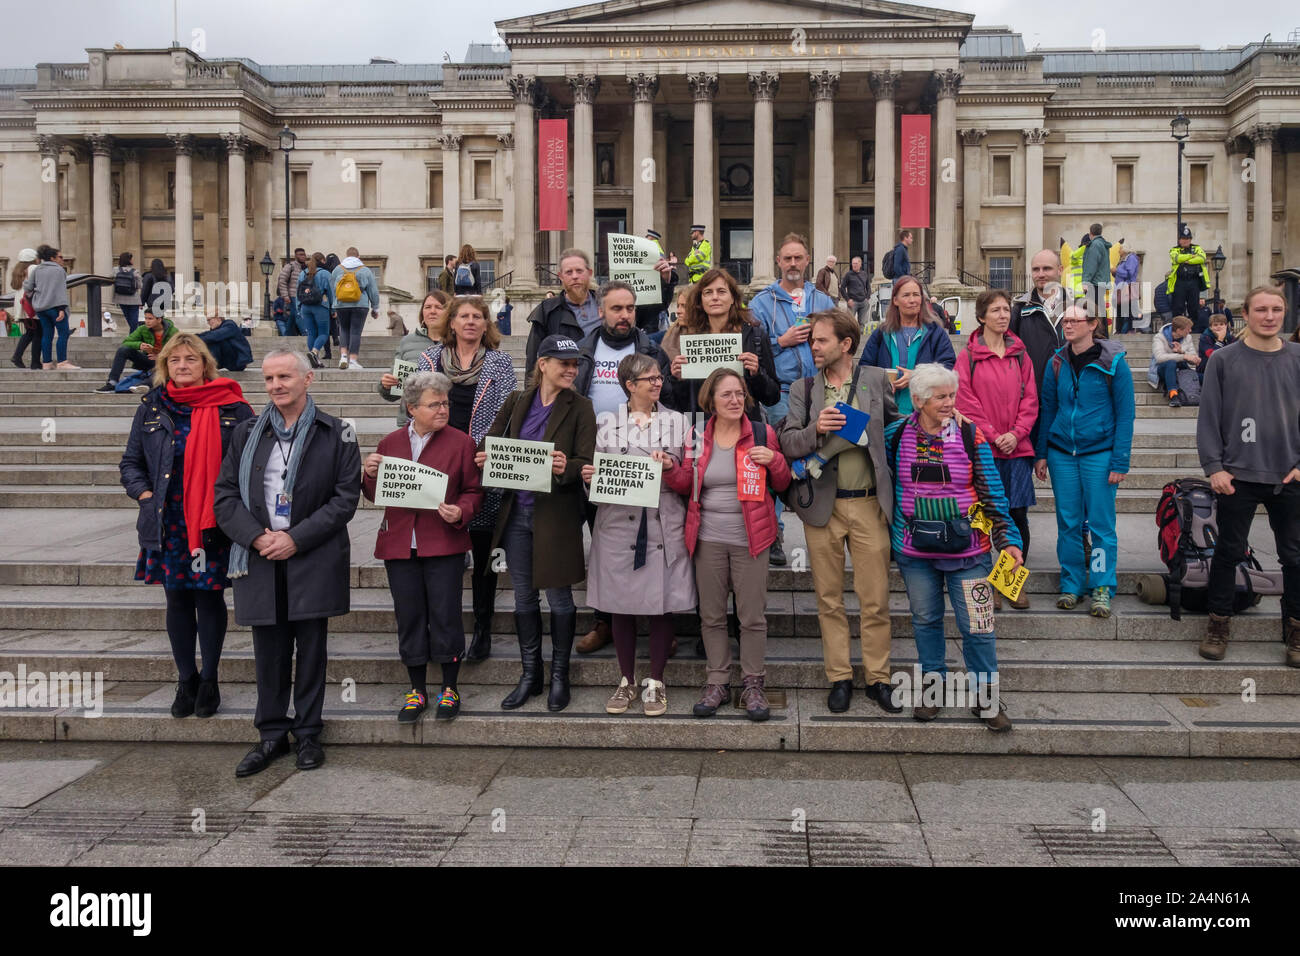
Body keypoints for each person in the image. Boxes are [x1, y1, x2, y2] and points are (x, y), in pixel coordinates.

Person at [215, 349, 361, 777]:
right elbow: (224, 495)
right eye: (269, 379)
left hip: (311, 555)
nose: (276, 385)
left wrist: (295, 539)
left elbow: (345, 498)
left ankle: (309, 733)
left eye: (284, 377)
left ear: (308, 379)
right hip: (260, 555)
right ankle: (271, 734)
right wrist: (258, 537)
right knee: (269, 652)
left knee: (312, 649)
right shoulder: (246, 433)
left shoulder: (337, 432)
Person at [883, 363, 1024, 730]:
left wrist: (1008, 540)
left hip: (970, 553)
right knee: (926, 621)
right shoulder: (896, 434)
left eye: (951, 395)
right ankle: (933, 691)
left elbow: (993, 490)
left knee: (978, 625)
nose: (949, 403)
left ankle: (986, 699)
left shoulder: (969, 434)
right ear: (918, 400)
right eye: (940, 397)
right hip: (915, 553)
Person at [120, 333, 253, 719]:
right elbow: (131, 462)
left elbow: (252, 464)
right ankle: (186, 679)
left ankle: (209, 680)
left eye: (190, 359)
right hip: (167, 519)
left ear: (204, 364)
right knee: (176, 598)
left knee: (208, 597)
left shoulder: (234, 407)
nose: (182, 365)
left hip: (212, 519)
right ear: (164, 366)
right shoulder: (151, 407)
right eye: (174, 359)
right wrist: (144, 495)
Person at [778, 309, 899, 713]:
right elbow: (789, 443)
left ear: (846, 344)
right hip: (823, 508)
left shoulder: (876, 379)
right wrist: (818, 431)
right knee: (828, 599)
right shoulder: (803, 388)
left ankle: (879, 678)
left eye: (822, 340)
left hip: (867, 503)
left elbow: (898, 433)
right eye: (812, 340)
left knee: (875, 599)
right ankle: (840, 677)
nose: (814, 346)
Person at [663, 368, 792, 721]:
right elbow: (686, 482)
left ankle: (753, 683)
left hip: (752, 539)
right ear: (711, 401)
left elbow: (782, 483)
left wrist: (776, 460)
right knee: (712, 616)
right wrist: (670, 468)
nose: (735, 400)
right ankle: (717, 681)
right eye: (727, 395)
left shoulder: (762, 433)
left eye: (739, 394)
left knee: (751, 617)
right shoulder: (697, 436)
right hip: (707, 540)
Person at [475, 335, 595, 712]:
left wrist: (567, 467)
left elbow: (586, 460)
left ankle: (560, 674)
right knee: (523, 595)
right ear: (542, 364)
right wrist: (485, 457)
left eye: (575, 364)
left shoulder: (581, 407)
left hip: (556, 514)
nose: (571, 369)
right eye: (564, 363)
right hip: (516, 513)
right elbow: (490, 443)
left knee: (559, 597)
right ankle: (531, 673)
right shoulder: (516, 401)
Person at [362, 370, 484, 722]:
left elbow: (474, 491)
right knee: (409, 615)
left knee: (446, 614)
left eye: (445, 403)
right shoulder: (390, 443)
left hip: (443, 543)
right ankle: (416, 689)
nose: (443, 409)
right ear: (412, 408)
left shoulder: (461, 442)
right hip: (400, 544)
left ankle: (450, 687)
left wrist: (461, 510)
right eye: (434, 404)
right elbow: (374, 494)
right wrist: (368, 474)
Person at [583, 353, 694, 716]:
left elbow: (690, 479)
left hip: (662, 520)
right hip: (618, 524)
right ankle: (626, 680)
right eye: (648, 378)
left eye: (659, 377)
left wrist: (672, 466)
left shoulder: (678, 422)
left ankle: (656, 681)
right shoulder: (607, 424)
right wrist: (591, 478)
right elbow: (600, 475)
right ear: (629, 385)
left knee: (661, 604)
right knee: (620, 604)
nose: (657, 383)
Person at [1196, 285, 1300, 667]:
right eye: (1262, 310)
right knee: (1227, 552)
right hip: (1237, 474)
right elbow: (1209, 417)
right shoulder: (1224, 360)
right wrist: (1214, 467)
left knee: (1295, 556)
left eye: (1276, 309)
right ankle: (1218, 624)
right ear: (1247, 314)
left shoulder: (1297, 358)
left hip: (1289, 475)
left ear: (1285, 313)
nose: (1269, 316)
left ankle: (1295, 628)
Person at [573, 280, 677, 655]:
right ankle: (606, 619)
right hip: (596, 451)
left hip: (646, 454)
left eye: (630, 308)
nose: (624, 315)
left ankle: (660, 620)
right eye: (616, 308)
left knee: (652, 538)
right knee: (605, 543)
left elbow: (669, 398)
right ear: (601, 311)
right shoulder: (586, 348)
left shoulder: (649, 347)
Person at [416, 295, 517, 662]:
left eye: (478, 316)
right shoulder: (428, 360)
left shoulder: (499, 362)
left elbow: (509, 411)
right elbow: (413, 408)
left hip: (482, 466)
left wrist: (493, 447)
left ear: (486, 324)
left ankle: (484, 628)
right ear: (452, 322)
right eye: (464, 316)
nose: (471, 322)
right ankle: (435, 629)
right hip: (437, 466)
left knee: (485, 553)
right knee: (436, 553)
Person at [1034, 305, 1135, 618]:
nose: (1068, 324)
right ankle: (1072, 583)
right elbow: (1047, 408)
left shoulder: (1114, 364)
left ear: (1093, 324)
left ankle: (1102, 586)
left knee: (1102, 526)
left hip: (1099, 453)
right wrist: (1041, 452)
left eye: (1075, 320)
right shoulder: (1056, 361)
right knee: (1068, 524)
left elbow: (1126, 415)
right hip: (1062, 452)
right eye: (1065, 320)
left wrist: (1120, 461)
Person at [748, 233, 836, 563]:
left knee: (819, 462)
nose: (793, 264)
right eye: (787, 258)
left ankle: (823, 533)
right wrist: (780, 341)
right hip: (780, 393)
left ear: (808, 260)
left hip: (818, 391)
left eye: (799, 258)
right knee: (773, 464)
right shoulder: (761, 303)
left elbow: (843, 343)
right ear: (778, 262)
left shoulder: (824, 302)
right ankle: (774, 534)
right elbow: (752, 350)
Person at [955, 290, 1039, 608]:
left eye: (1006, 310)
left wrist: (1016, 434)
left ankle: (1008, 583)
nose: (1003, 315)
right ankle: (985, 584)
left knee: (1017, 516)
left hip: (1016, 450)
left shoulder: (1020, 354)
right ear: (981, 317)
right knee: (982, 518)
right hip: (983, 449)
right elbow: (965, 401)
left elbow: (1030, 398)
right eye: (996, 310)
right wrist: (992, 435)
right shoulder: (969, 357)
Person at [662, 267, 780, 420]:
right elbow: (679, 403)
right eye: (708, 292)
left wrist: (756, 374)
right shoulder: (689, 338)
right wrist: (677, 379)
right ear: (700, 301)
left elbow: (772, 397)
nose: (715, 297)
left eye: (722, 291)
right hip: (701, 428)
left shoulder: (754, 335)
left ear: (733, 299)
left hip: (745, 428)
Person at [859, 274, 956, 416]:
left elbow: (949, 368)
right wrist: (882, 382)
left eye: (916, 295)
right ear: (895, 300)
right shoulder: (881, 333)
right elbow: (864, 368)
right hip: (885, 413)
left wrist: (917, 376)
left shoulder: (936, 333)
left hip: (925, 414)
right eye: (906, 295)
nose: (912, 300)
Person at [1010, 249, 1067, 446]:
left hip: (1070, 400)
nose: (1041, 274)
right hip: (1032, 400)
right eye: (1036, 269)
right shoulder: (1019, 308)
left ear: (1060, 270)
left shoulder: (1080, 304)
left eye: (1047, 268)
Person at [378, 291, 449, 425]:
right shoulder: (407, 342)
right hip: (411, 422)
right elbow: (394, 392)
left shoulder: (458, 342)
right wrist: (386, 386)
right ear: (422, 313)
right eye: (427, 307)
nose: (432, 311)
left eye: (438, 307)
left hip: (448, 421)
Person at [524, 248, 599, 374]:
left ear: (589, 273)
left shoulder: (606, 305)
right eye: (569, 272)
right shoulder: (547, 310)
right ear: (561, 276)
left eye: (579, 271)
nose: (575, 276)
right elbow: (533, 358)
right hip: (563, 385)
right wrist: (532, 392)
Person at [95, 309, 176, 393]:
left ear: (159, 319)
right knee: (123, 350)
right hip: (148, 360)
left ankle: (141, 385)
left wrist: (160, 357)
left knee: (158, 372)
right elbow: (126, 342)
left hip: (165, 363)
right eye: (146, 318)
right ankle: (112, 383)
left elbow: (178, 352)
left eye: (150, 319)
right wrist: (139, 345)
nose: (147, 321)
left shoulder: (172, 332)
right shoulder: (142, 329)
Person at [24, 244, 77, 370]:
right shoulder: (59, 270)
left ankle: (47, 363)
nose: (62, 259)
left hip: (41, 308)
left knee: (47, 335)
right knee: (63, 333)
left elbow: (27, 288)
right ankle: (62, 362)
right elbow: (60, 291)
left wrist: (36, 296)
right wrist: (61, 309)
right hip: (56, 307)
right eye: (60, 257)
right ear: (52, 258)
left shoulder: (37, 269)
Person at [330, 248, 380, 369]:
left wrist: (334, 306)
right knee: (355, 332)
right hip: (360, 304)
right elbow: (373, 291)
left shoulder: (337, 269)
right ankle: (352, 360)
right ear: (358, 256)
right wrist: (375, 307)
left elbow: (333, 289)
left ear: (346, 256)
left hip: (341, 304)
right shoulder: (365, 270)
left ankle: (343, 357)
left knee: (344, 330)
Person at [1148, 315, 1198, 407]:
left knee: (1202, 377)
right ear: (1179, 330)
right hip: (1162, 369)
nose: (1190, 331)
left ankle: (1195, 394)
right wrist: (1183, 356)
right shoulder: (1159, 337)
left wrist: (1181, 351)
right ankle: (1173, 394)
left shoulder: (1188, 337)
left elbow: (1194, 358)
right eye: (1188, 329)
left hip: (1181, 369)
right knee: (1171, 363)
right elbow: (1159, 358)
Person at [1166, 225, 1210, 327]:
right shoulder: (1174, 250)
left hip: (1194, 281)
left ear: (1190, 239)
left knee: (1194, 307)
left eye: (1188, 239)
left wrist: (1186, 260)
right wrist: (1192, 257)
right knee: (1178, 306)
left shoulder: (1197, 248)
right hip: (1180, 282)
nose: (1186, 241)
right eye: (1183, 239)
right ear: (1179, 240)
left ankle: (1193, 328)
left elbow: (1202, 258)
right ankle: (1177, 327)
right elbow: (1176, 258)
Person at [297, 252, 336, 369]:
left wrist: (298, 307)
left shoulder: (302, 274)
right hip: (320, 306)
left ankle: (316, 360)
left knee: (311, 333)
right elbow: (331, 292)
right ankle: (314, 353)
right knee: (323, 333)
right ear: (322, 261)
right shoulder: (325, 274)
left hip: (305, 306)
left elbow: (297, 292)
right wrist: (333, 308)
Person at [9, 249, 41, 370]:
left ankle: (18, 357)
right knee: (38, 333)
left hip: (22, 305)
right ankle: (35, 362)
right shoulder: (32, 268)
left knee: (30, 333)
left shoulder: (18, 269)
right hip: (30, 305)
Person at [1080, 222, 1112, 327]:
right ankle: (1103, 333)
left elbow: (1091, 264)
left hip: (1094, 282)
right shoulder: (1103, 244)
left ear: (1090, 233)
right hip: (1101, 281)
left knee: (1093, 310)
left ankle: (1098, 333)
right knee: (1100, 309)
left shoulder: (1095, 245)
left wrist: (1085, 281)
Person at [276, 248, 308, 332]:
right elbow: (282, 281)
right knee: (298, 314)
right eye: (300, 254)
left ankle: (287, 334)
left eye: (304, 254)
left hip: (303, 296)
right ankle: (305, 333)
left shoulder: (306, 267)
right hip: (293, 295)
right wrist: (285, 296)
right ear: (296, 256)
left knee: (293, 316)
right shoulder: (290, 266)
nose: (303, 256)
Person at [1197, 312, 1235, 379]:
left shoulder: (1231, 338)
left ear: (1226, 326)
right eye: (1215, 325)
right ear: (1210, 327)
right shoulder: (1205, 338)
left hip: (1226, 369)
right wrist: (1220, 340)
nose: (1219, 327)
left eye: (1221, 324)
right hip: (1207, 370)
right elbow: (1212, 356)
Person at [111, 251, 142, 332]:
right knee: (134, 322)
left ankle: (132, 337)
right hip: (133, 300)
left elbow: (112, 282)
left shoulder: (115, 270)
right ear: (129, 260)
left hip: (120, 298)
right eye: (132, 259)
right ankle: (133, 338)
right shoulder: (135, 272)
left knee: (129, 320)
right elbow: (140, 286)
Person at [1112, 248, 1141, 334]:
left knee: (1130, 310)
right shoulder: (1123, 259)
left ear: (1125, 249)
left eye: (1120, 249)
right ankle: (1119, 330)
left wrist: (1117, 270)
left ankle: (1130, 330)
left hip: (1128, 286)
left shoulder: (1131, 258)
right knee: (1120, 309)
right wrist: (1114, 273)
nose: (1118, 251)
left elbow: (1129, 273)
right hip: (1121, 288)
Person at [840, 255, 872, 330]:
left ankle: (860, 339)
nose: (854, 265)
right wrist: (848, 300)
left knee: (862, 323)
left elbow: (868, 287)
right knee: (849, 322)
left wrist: (867, 298)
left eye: (856, 263)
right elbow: (842, 288)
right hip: (852, 302)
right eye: (853, 263)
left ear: (860, 264)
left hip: (863, 302)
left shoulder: (864, 274)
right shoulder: (848, 275)